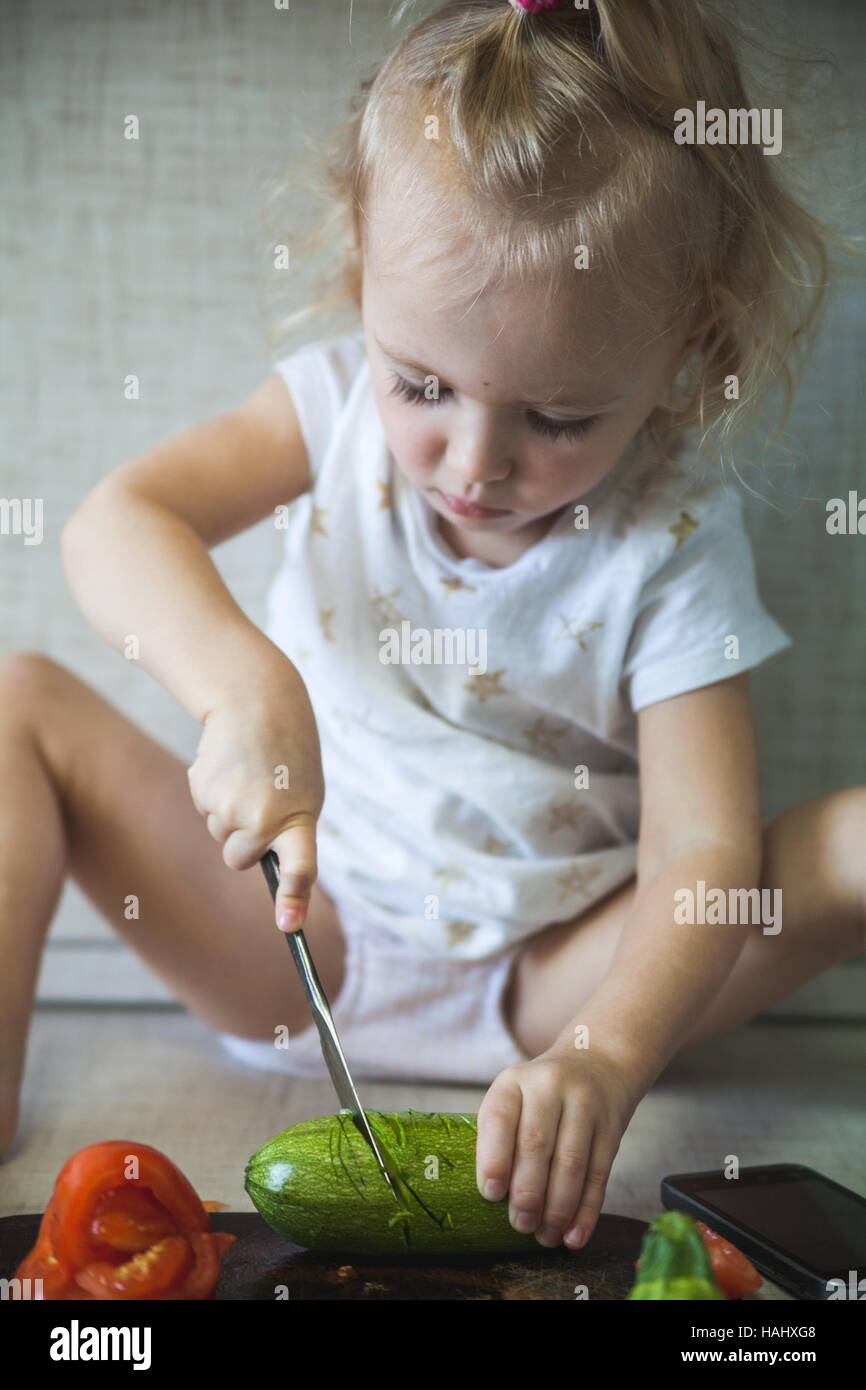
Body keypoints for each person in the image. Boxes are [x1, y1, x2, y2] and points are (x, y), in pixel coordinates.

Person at [2, 0, 863, 1258]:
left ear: (684, 345)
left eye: (559, 417)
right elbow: (112, 525)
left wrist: (606, 1051)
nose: (473, 462)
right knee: (16, 700)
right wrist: (244, 689)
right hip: (301, 938)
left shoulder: (669, 534)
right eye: (423, 385)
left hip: (555, 980)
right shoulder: (330, 408)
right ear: (363, 269)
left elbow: (704, 855)